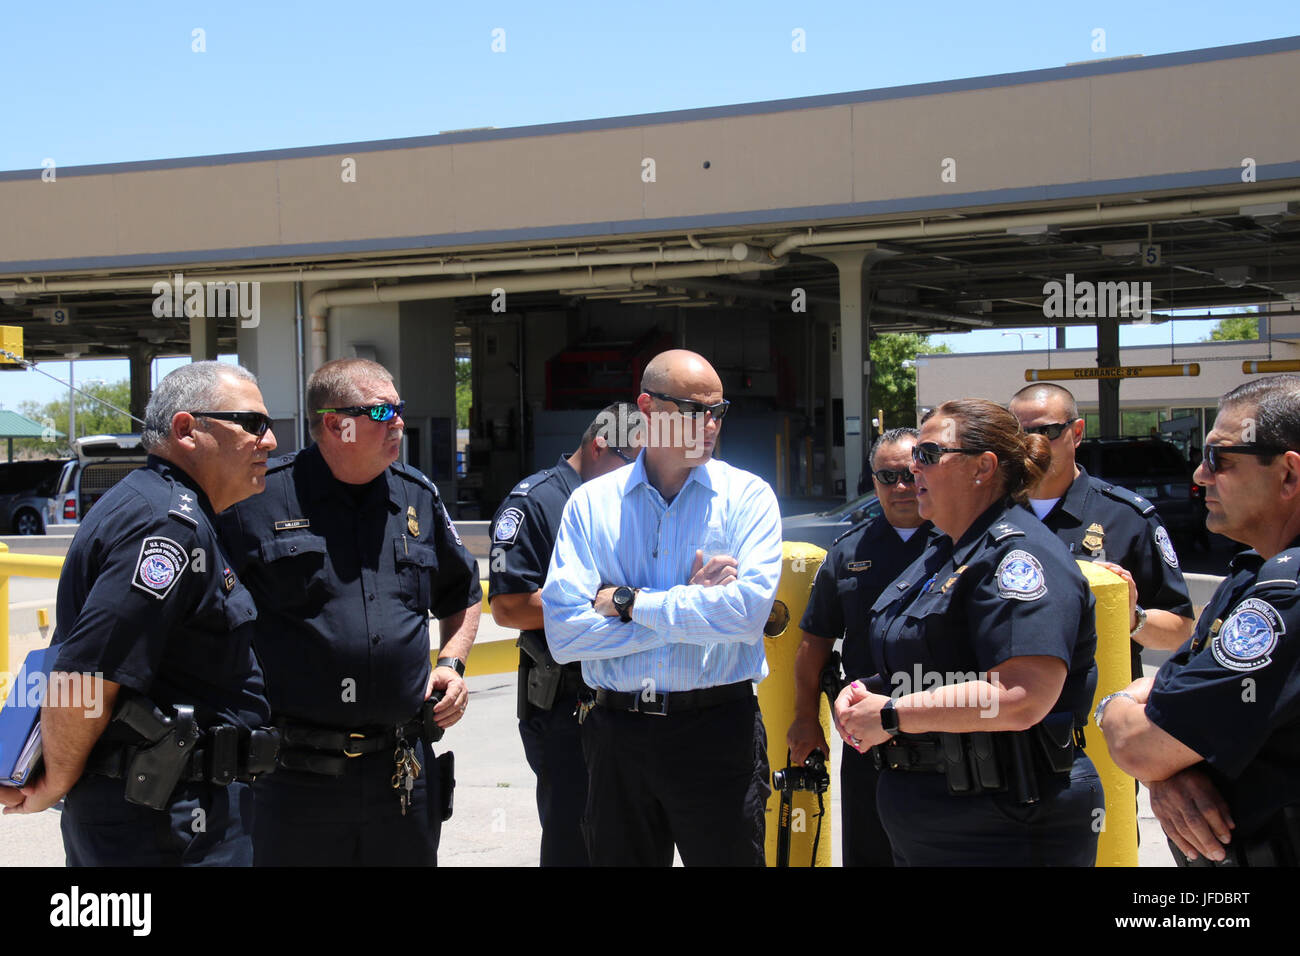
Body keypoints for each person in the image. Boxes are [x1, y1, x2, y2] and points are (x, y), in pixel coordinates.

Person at [1, 362, 278, 866]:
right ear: (187, 429)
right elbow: (86, 673)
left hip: (170, 810)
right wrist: (54, 781)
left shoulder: (158, 507)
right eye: (252, 424)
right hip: (165, 824)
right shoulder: (167, 526)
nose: (271, 441)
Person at [218, 358, 481, 866]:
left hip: (401, 775)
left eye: (399, 408)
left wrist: (451, 664)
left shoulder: (416, 497)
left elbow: (464, 592)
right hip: (293, 779)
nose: (400, 421)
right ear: (337, 424)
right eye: (383, 411)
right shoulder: (257, 499)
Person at [834, 399, 1103, 866]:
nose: (913, 468)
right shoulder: (943, 551)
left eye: (929, 455)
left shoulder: (1017, 556)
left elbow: (1022, 694)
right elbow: (936, 660)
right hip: (930, 813)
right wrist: (865, 692)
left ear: (983, 467)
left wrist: (893, 714)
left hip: (1003, 819)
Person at [541, 349, 783, 866]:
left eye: (719, 411)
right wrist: (694, 611)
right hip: (617, 736)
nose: (711, 424)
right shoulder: (591, 504)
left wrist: (627, 602)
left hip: (719, 731)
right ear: (647, 409)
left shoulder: (748, 497)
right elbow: (563, 637)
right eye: (696, 411)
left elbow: (744, 618)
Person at [1098, 376, 1300, 867]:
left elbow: (1144, 744)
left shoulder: (1287, 595)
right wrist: (1168, 771)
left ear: (1289, 474)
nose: (1200, 475)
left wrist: (1120, 711)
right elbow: (1172, 708)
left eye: (1219, 459)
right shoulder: (1252, 575)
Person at [488, 402, 643, 867]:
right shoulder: (536, 502)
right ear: (600, 447)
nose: (642, 474)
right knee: (574, 839)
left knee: (628, 840)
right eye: (634, 460)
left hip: (627, 699)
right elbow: (508, 606)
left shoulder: (627, 502)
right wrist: (609, 604)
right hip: (565, 705)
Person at [787, 427, 936, 866]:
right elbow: (814, 644)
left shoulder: (961, 542)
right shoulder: (849, 552)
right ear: (872, 482)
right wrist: (804, 719)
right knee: (869, 852)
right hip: (867, 742)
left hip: (946, 731)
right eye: (887, 478)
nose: (902, 488)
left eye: (910, 474)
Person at [1008, 383, 1195, 680]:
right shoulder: (991, 514)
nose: (1034, 445)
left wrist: (1132, 618)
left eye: (1048, 432)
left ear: (1078, 433)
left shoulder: (1127, 517)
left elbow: (1180, 631)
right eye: (1019, 436)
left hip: (1099, 707)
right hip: (1012, 703)